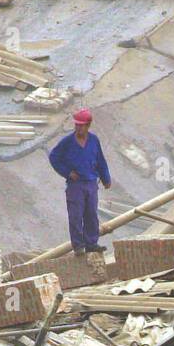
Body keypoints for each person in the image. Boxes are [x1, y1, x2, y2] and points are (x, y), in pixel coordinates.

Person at [48, 108, 111, 256]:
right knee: (76, 215)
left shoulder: (94, 140)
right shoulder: (67, 142)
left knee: (91, 214)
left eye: (81, 125)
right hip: (75, 185)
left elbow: (100, 160)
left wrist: (106, 178)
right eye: (76, 125)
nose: (78, 128)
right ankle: (78, 246)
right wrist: (67, 172)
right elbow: (54, 157)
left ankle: (91, 243)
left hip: (91, 183)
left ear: (88, 125)